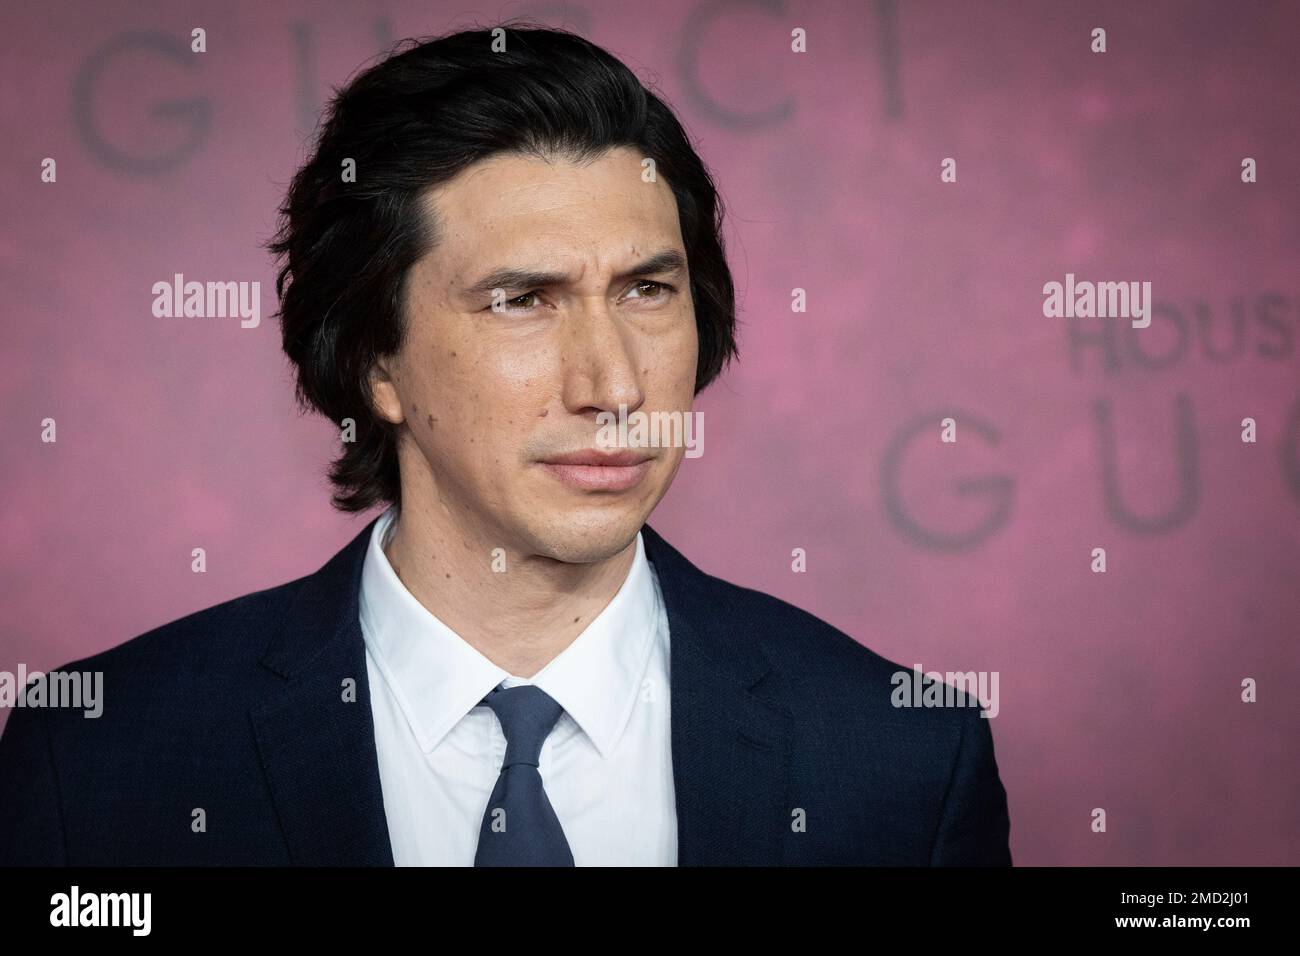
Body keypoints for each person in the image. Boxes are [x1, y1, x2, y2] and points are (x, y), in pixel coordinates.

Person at [0, 24, 1011, 866]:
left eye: (646, 291)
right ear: (375, 360)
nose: (613, 386)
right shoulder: (97, 756)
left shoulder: (902, 754)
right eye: (523, 300)